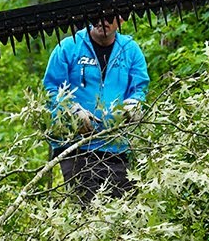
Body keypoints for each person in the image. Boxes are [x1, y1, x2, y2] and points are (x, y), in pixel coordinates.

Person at [42, 15, 149, 203]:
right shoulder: (68, 47)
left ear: (121, 20)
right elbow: (51, 88)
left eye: (110, 16)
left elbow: (139, 88)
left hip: (116, 145)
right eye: (97, 15)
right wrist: (72, 110)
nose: (103, 20)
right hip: (76, 146)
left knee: (123, 210)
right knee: (88, 210)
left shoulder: (130, 50)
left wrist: (134, 105)